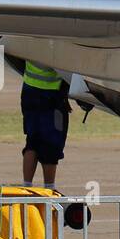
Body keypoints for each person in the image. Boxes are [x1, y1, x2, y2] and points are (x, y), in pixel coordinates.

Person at [20, 60, 70, 189]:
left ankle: (27, 187)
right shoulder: (56, 41)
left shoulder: (30, 39)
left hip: (29, 89)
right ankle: (49, 188)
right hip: (51, 94)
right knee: (52, 144)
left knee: (32, 141)